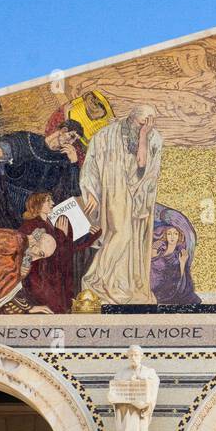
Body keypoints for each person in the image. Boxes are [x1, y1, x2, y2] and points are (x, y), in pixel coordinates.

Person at [79, 106, 163, 304]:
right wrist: (91, 191)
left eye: (149, 123)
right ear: (131, 118)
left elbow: (146, 166)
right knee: (120, 234)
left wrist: (143, 136)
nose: (146, 126)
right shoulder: (106, 135)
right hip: (114, 189)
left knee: (132, 239)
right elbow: (90, 163)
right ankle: (96, 279)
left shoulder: (153, 138)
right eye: (142, 123)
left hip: (139, 194)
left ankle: (120, 284)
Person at [0, 121, 85, 230]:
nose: (71, 142)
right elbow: (9, 145)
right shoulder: (29, 140)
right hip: (11, 202)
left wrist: (74, 163)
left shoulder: (65, 158)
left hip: (38, 209)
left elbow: (72, 189)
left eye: (75, 140)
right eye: (72, 136)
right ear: (63, 130)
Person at [16, 191, 101, 313]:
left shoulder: (53, 224)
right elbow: (50, 255)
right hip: (40, 281)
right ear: (37, 204)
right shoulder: (30, 225)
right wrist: (61, 234)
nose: (53, 203)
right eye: (48, 201)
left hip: (57, 280)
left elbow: (70, 249)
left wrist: (92, 236)